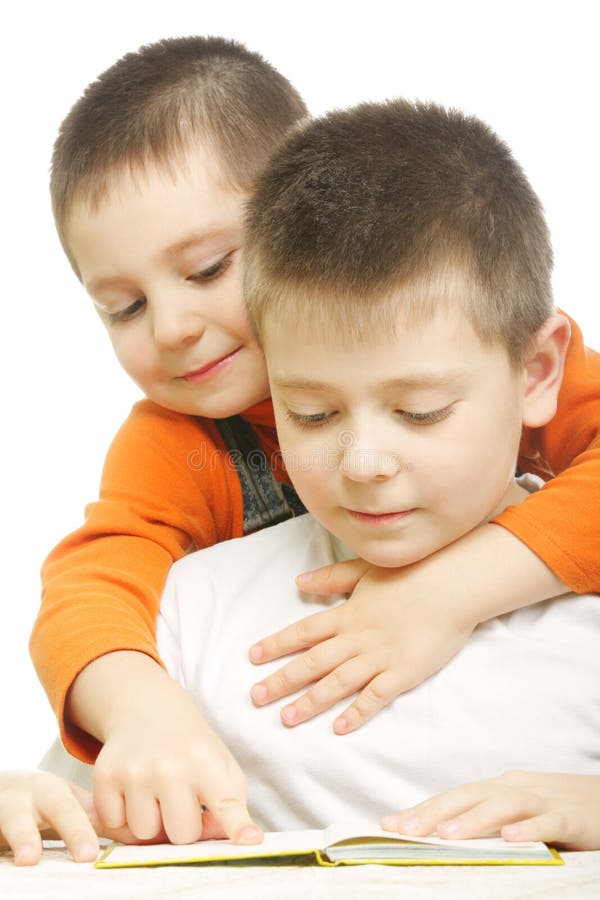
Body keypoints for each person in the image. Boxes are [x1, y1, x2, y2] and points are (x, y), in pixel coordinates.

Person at [31, 35, 600, 846]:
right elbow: (93, 579)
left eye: (206, 269)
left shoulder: (478, 333)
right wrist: (143, 715)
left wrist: (449, 592)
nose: (173, 328)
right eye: (123, 307)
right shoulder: (177, 442)